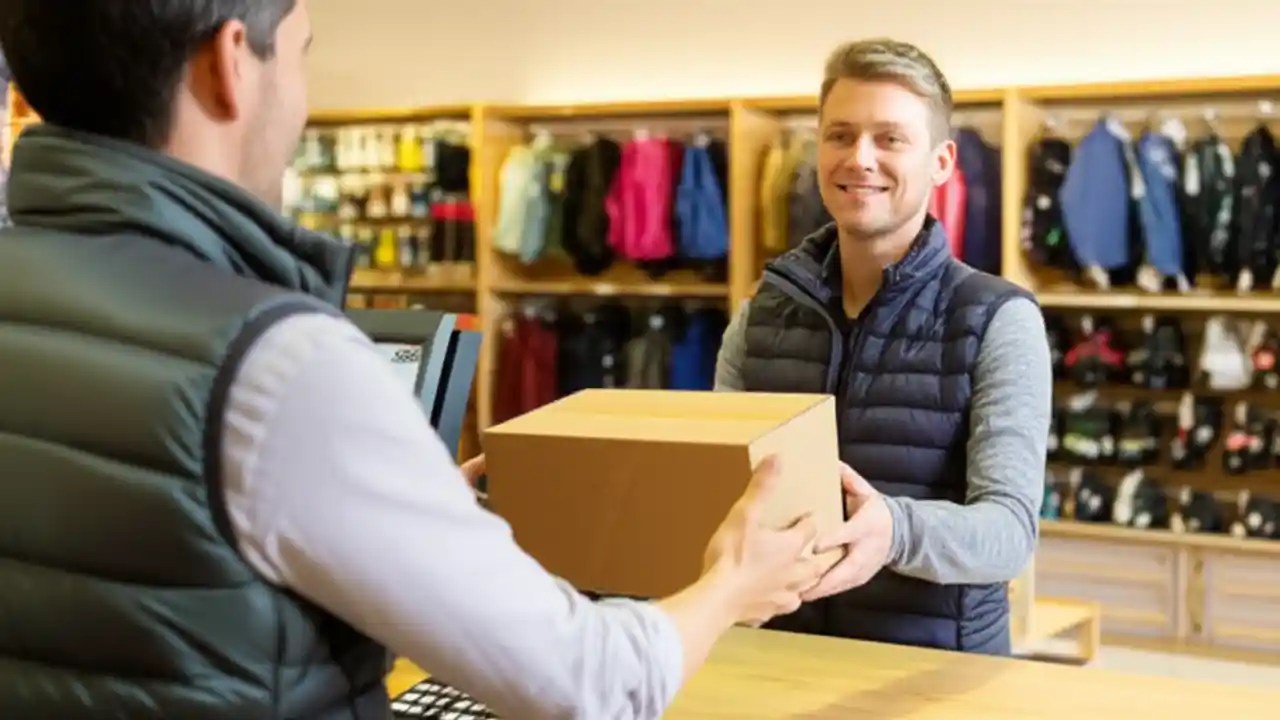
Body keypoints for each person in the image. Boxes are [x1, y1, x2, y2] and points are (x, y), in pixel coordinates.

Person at [0, 2, 832, 718]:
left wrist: (402, 510)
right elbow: (587, 685)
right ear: (231, 66)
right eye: (300, 54)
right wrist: (729, 584)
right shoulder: (277, 363)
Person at [716, 38, 1052, 655]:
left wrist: (895, 531)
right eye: (840, 135)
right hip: (772, 661)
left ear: (942, 162)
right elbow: (717, 492)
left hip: (931, 674)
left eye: (890, 138)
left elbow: (1009, 531)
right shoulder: (758, 317)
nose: (859, 158)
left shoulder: (998, 319)